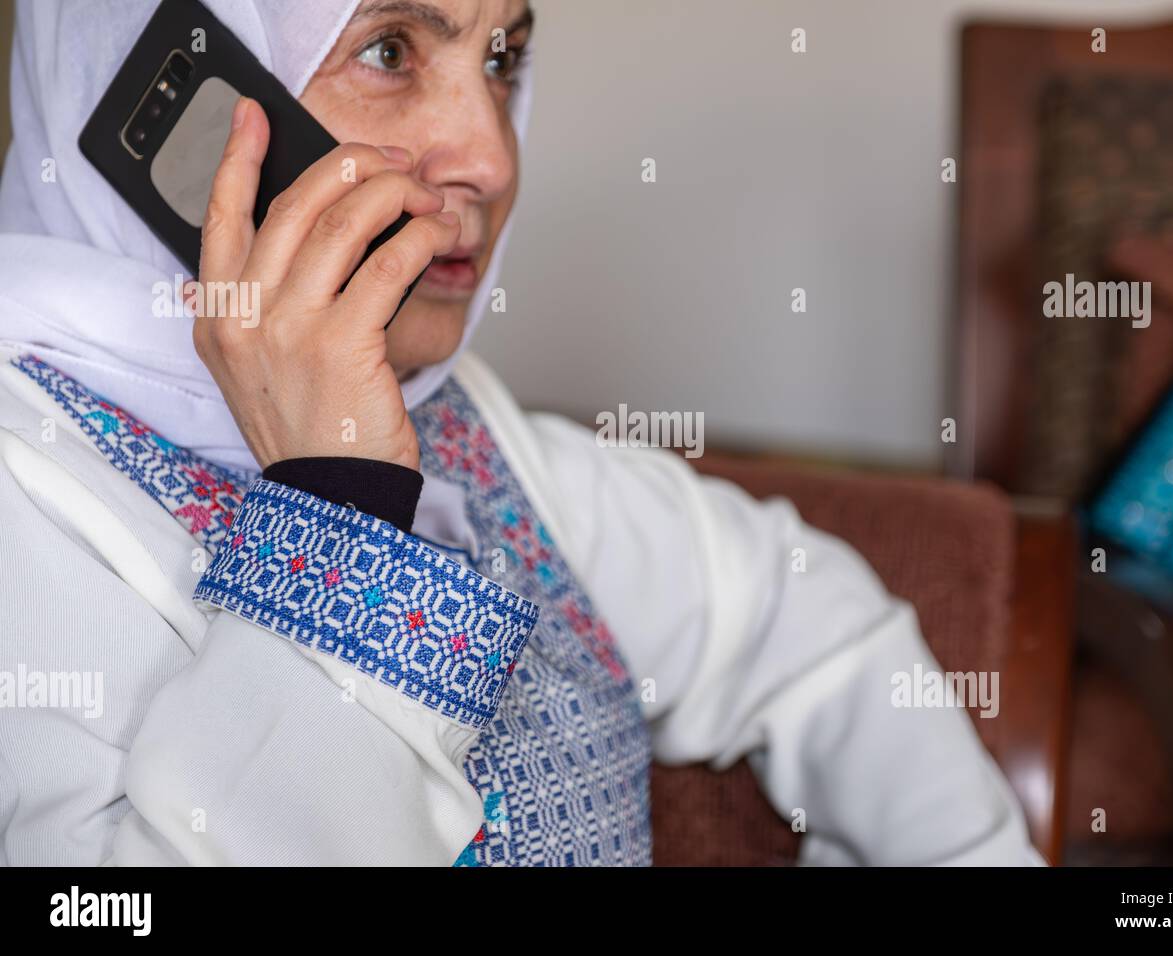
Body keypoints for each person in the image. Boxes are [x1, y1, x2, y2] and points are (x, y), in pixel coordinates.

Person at [0, 0, 1039, 866]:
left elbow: (801, 614)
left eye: (503, 58)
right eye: (390, 49)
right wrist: (336, 506)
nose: (491, 155)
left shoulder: (454, 423)